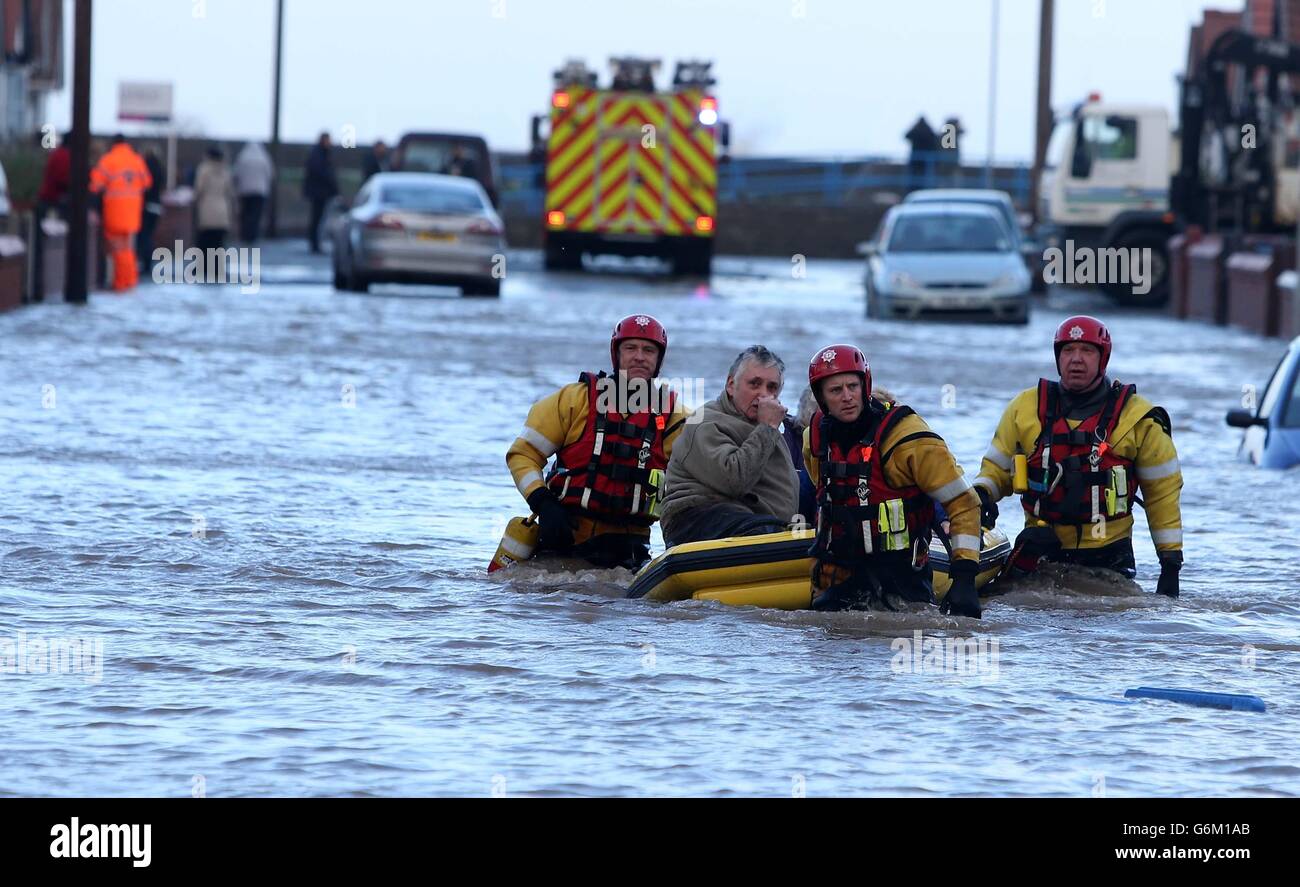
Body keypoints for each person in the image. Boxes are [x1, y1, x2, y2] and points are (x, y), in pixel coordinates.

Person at [975, 316, 1184, 595]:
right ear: (1057, 358)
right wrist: (982, 494)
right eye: (1068, 351)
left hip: (1109, 557)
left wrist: (1170, 564)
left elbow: (1163, 495)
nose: (1076, 359)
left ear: (1103, 359)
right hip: (1040, 549)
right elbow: (995, 471)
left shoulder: (1137, 419)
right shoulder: (1023, 408)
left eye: (1086, 351)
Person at [802, 345, 983, 616]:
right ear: (821, 397)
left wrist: (965, 579)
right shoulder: (815, 439)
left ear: (866, 385)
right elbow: (826, 501)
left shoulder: (909, 438)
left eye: (852, 386)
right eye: (835, 390)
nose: (847, 397)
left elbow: (964, 504)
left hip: (902, 579)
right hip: (840, 576)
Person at [506, 315, 690, 570]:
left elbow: (700, 475)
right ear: (616, 354)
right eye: (630, 348)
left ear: (659, 359)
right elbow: (523, 454)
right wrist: (542, 502)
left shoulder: (675, 418)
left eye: (649, 350)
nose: (639, 356)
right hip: (564, 539)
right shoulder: (574, 400)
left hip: (631, 553)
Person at [658, 345, 799, 547]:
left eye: (772, 387)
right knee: (759, 533)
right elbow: (734, 479)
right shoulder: (706, 422)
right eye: (755, 384)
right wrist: (767, 427)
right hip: (696, 517)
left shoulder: (770, 429)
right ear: (731, 385)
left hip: (751, 519)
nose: (763, 395)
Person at [89, 134, 152, 292]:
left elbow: (95, 185)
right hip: (132, 211)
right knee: (127, 247)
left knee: (118, 248)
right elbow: (147, 182)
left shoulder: (108, 160)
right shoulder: (137, 160)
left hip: (114, 211)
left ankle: (121, 282)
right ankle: (130, 279)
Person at [193, 146, 235, 253]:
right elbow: (230, 191)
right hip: (222, 209)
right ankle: (217, 266)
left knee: (204, 240)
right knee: (218, 242)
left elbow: (199, 189)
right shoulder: (226, 171)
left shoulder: (204, 169)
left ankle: (202, 265)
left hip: (207, 208)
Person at [302, 132, 338, 253]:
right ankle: (315, 244)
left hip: (319, 192)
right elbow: (323, 173)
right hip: (319, 192)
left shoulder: (318, 153)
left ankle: (315, 244)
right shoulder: (319, 154)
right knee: (317, 219)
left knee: (317, 219)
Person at [233, 142, 274, 244]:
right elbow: (270, 174)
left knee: (245, 213)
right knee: (255, 214)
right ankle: (253, 235)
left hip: (244, 190)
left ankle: (244, 235)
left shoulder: (242, 158)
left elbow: (236, 173)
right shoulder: (264, 159)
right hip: (260, 191)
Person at [137, 149, 165, 274]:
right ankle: (148, 262)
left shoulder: (144, 168)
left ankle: (145, 262)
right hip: (156, 206)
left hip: (147, 205)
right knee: (150, 235)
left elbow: (144, 187)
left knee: (144, 235)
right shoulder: (160, 168)